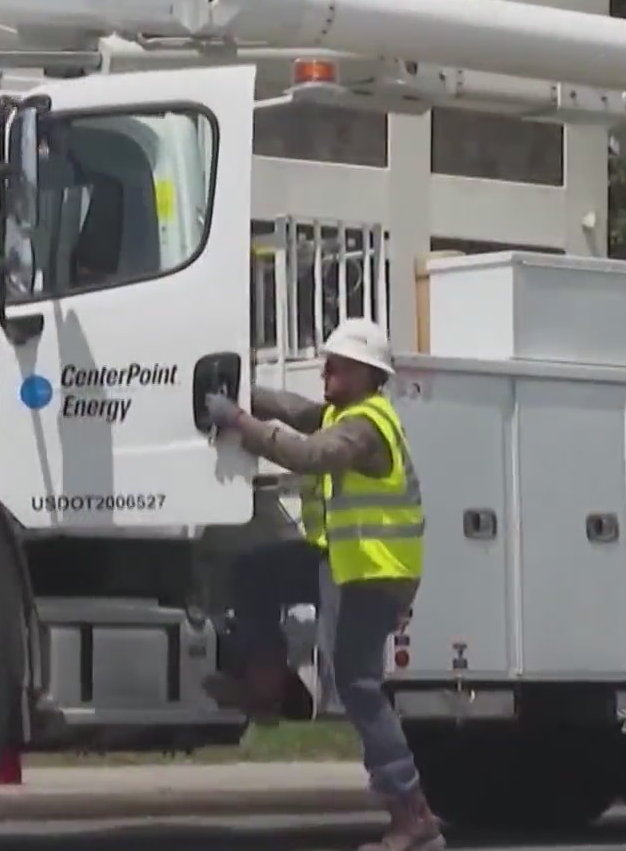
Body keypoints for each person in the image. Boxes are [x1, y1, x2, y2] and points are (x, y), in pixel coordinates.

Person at [201, 317, 441, 851]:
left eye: (339, 364)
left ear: (368, 375)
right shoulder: (341, 413)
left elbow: (308, 454)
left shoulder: (365, 427)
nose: (326, 370)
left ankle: (412, 812)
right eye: (328, 362)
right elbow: (295, 412)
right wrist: (242, 393)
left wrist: (237, 418)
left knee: (357, 686)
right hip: (341, 562)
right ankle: (266, 688)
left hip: (373, 573)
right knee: (254, 574)